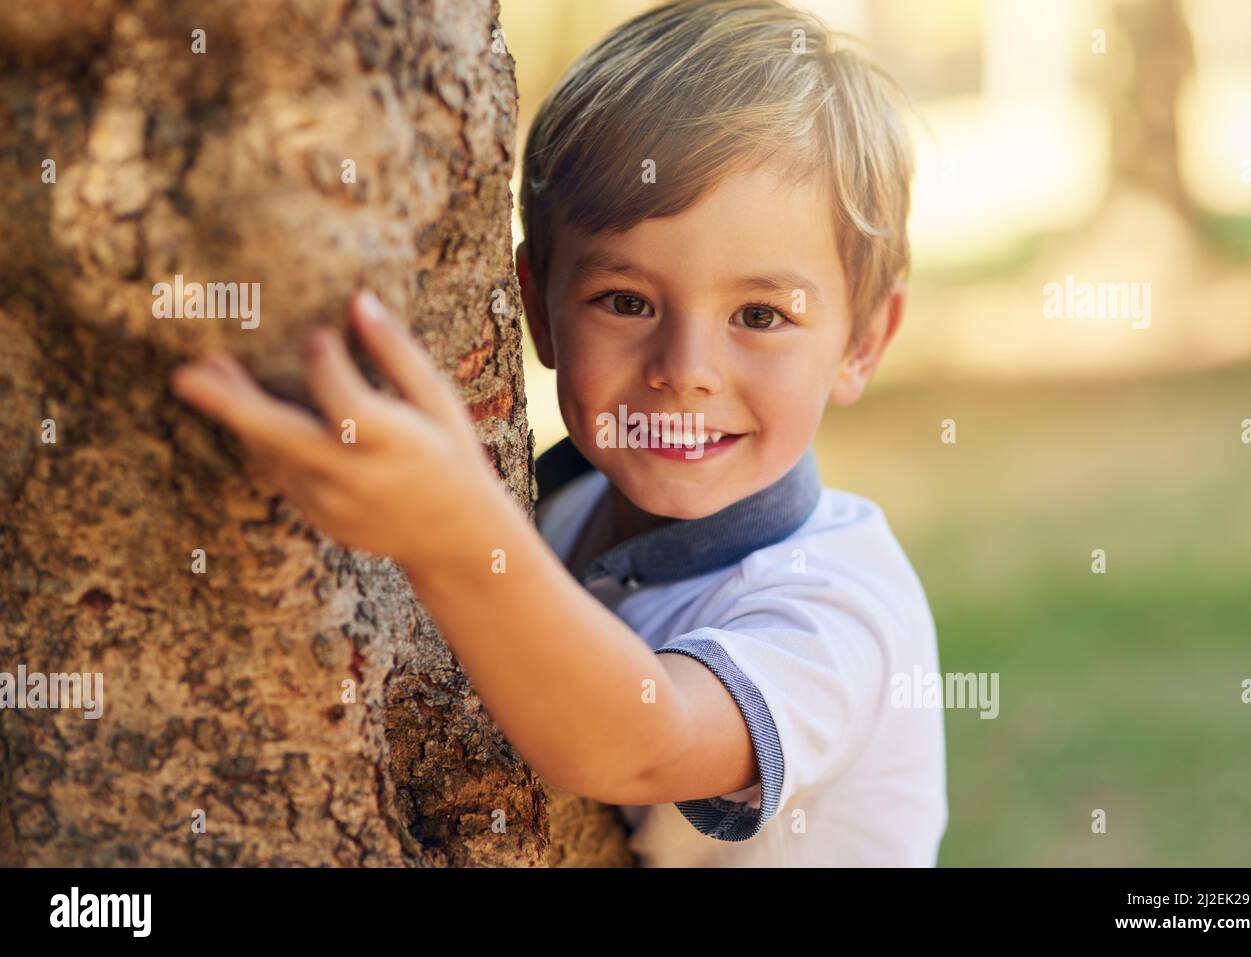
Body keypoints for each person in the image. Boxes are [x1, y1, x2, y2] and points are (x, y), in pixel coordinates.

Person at [172, 0, 946, 866]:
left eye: (759, 314)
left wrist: (449, 534)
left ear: (864, 342)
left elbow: (643, 738)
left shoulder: (837, 609)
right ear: (535, 307)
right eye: (626, 301)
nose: (684, 368)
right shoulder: (570, 499)